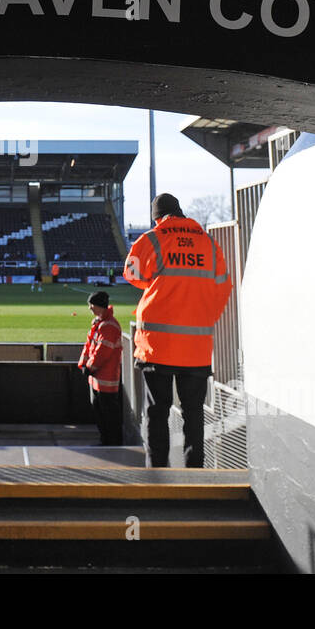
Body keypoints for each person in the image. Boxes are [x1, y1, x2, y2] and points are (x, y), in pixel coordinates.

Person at [124, 193, 233, 468]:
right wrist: (204, 316)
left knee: (157, 411)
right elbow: (223, 286)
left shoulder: (150, 239)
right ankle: (195, 472)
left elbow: (132, 274)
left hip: (156, 344)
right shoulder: (208, 243)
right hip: (196, 347)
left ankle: (158, 473)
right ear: (181, 212)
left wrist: (158, 286)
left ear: (157, 217)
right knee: (193, 413)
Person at [77, 290, 123, 445]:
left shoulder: (108, 326)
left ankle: (112, 442)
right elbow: (90, 346)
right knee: (101, 411)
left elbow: (102, 352)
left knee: (108, 413)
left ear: (100, 306)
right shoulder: (100, 323)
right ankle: (107, 440)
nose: (90, 308)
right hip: (99, 377)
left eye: (91, 304)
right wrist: (84, 364)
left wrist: (89, 367)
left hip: (105, 378)